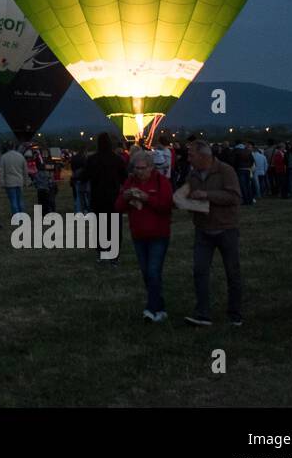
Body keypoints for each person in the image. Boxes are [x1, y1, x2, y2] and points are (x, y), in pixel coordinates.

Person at [182, 140, 243, 327]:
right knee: (200, 271)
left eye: (191, 155)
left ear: (203, 156)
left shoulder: (225, 171)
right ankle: (202, 313)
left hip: (226, 228)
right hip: (202, 229)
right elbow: (189, 195)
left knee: (232, 271)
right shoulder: (192, 174)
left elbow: (234, 197)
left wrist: (207, 195)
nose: (188, 158)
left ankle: (235, 314)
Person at [115, 150, 173, 322]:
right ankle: (159, 307)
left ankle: (151, 309)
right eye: (136, 168)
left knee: (153, 271)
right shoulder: (130, 182)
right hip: (138, 234)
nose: (139, 171)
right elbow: (118, 207)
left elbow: (166, 206)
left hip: (158, 234)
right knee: (147, 272)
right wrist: (125, 197)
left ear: (151, 167)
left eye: (142, 168)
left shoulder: (162, 182)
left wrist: (147, 198)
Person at [84, 133, 127, 263]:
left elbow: (85, 175)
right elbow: (124, 177)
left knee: (99, 226)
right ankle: (114, 255)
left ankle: (102, 252)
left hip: (98, 198)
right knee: (114, 226)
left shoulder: (92, 160)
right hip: (113, 197)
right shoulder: (117, 159)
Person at [0, 142, 28, 217]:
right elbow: (25, 170)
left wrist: (1, 183)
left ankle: (16, 217)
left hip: (9, 182)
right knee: (20, 200)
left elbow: (1, 171)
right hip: (19, 181)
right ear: (14, 147)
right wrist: (26, 181)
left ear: (7, 147)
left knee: (13, 201)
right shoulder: (20, 156)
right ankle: (23, 215)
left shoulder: (4, 157)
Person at [70, 147, 90, 212]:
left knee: (77, 196)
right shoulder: (84, 159)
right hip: (83, 180)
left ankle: (78, 210)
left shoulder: (74, 158)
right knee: (85, 196)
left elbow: (72, 168)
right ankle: (85, 209)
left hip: (75, 179)